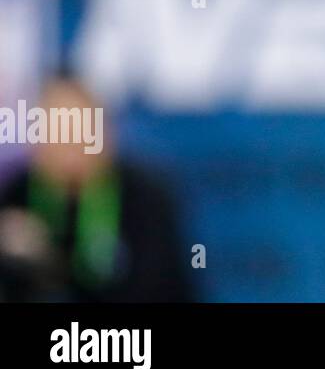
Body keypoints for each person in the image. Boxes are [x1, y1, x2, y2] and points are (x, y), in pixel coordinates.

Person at [0, 76, 197, 302]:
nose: (68, 144)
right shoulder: (16, 198)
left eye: (79, 130)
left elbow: (163, 287)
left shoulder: (146, 200)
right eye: (56, 131)